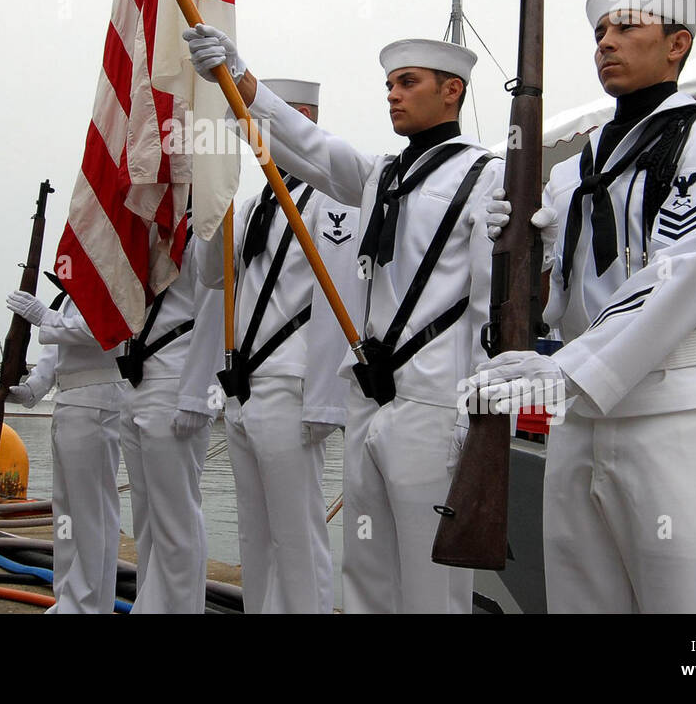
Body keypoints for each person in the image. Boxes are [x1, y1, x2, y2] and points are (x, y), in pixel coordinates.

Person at [474, 0, 696, 613]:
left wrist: (565, 370)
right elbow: (554, 300)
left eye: (626, 28)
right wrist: (509, 253)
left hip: (670, 412)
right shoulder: (572, 169)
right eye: (599, 33)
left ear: (676, 44)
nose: (606, 43)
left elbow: (682, 270)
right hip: (577, 417)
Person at [184, 33, 500, 614]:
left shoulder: (487, 176)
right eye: (389, 85)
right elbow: (313, 148)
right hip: (374, 400)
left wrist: (473, 414)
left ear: (452, 91)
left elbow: (489, 309)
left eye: (408, 84)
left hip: (435, 401)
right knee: (366, 575)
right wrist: (240, 79)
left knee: (433, 585)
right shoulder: (382, 176)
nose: (393, 96)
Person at [193, 77, 354, 615]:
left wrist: (326, 400)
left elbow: (340, 300)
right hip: (244, 386)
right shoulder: (257, 196)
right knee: (254, 534)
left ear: (297, 118)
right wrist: (211, 211)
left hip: (292, 380)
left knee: (296, 534)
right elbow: (213, 278)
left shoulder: (331, 196)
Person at [115, 227, 223, 613]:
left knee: (175, 521)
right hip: (138, 376)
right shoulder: (147, 229)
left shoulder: (206, 228)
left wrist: (200, 393)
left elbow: (215, 306)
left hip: (176, 377)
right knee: (146, 521)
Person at [7, 289, 125, 614]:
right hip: (68, 401)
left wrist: (45, 317)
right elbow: (58, 349)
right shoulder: (74, 292)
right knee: (66, 516)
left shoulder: (113, 277)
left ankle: (88, 605)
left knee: (91, 515)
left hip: (96, 398)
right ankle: (67, 599)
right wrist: (34, 387)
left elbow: (103, 328)